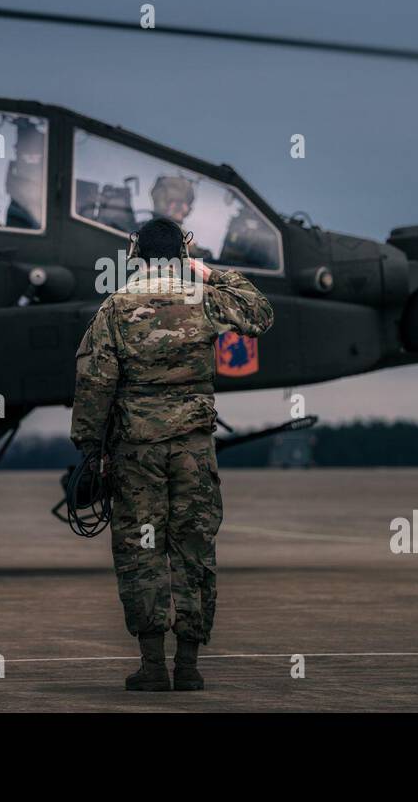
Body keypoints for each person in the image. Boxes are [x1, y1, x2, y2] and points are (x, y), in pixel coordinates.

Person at [70, 217, 274, 691]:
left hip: (135, 451)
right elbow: (259, 314)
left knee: (141, 551)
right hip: (193, 449)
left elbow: (94, 382)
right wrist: (210, 273)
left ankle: (152, 666)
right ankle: (188, 664)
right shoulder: (202, 299)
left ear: (132, 250)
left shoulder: (116, 307)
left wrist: (88, 448)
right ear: (185, 250)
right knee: (193, 547)